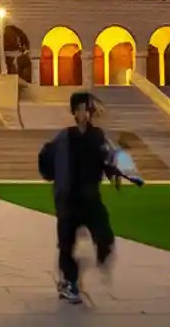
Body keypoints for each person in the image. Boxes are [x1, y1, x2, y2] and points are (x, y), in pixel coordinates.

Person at [38, 91, 139, 304]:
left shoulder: (97, 136)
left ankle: (100, 255)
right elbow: (47, 158)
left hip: (90, 197)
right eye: (81, 109)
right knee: (66, 244)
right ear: (75, 112)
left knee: (104, 234)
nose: (85, 113)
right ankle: (70, 283)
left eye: (87, 108)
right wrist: (49, 167)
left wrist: (128, 172)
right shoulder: (65, 136)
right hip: (68, 199)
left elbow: (110, 157)